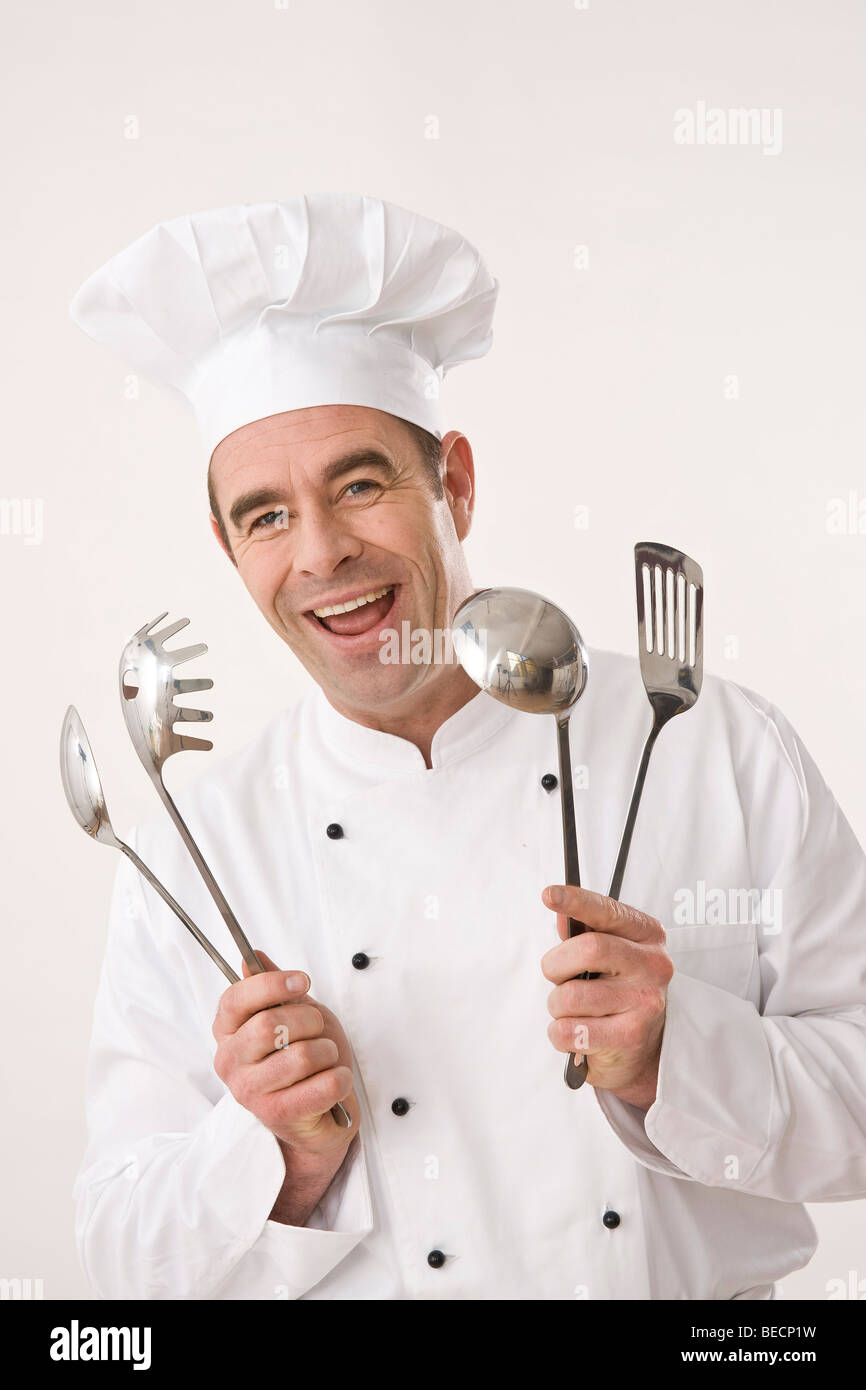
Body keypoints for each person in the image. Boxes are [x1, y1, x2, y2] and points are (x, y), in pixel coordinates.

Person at [69, 193, 866, 1300]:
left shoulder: (706, 743)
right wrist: (268, 1158)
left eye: (358, 483)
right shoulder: (199, 847)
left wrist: (678, 1057)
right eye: (265, 515)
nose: (321, 554)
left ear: (455, 482)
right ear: (225, 544)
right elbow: (118, 1258)